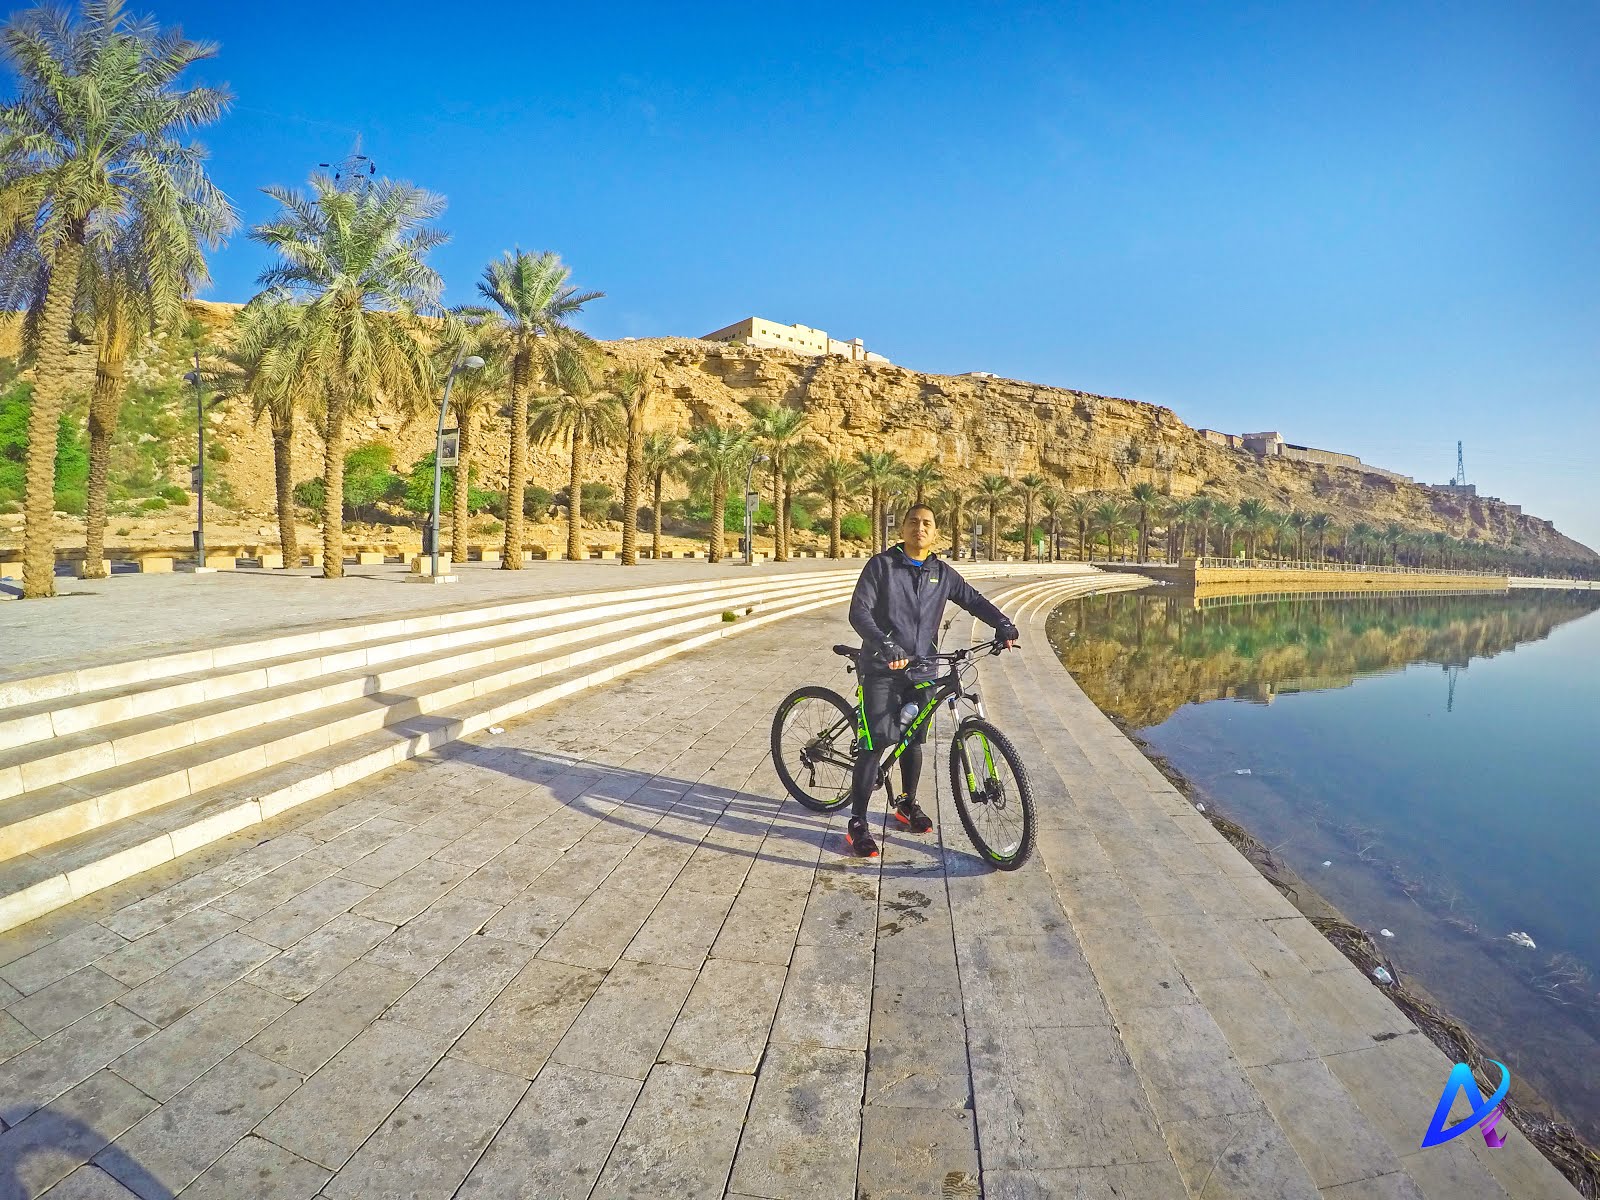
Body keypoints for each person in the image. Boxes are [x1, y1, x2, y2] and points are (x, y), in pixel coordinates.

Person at [844, 503, 1019, 857]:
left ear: (935, 532)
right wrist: (886, 644)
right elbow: (858, 611)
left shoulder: (942, 572)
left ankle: (906, 803)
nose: (919, 528)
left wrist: (1002, 623)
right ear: (903, 529)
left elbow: (973, 600)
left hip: (923, 670)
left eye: (927, 524)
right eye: (913, 522)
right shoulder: (882, 566)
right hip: (882, 667)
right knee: (875, 743)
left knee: (913, 740)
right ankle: (858, 821)